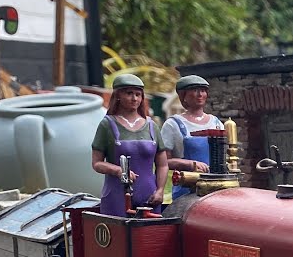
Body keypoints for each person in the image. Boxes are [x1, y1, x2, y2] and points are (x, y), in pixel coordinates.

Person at [90, 73, 168, 217]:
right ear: (118, 95)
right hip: (116, 197)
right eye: (129, 93)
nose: (135, 98)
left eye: (138, 94)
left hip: (149, 197)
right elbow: (96, 163)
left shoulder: (152, 126)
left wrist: (160, 190)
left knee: (149, 236)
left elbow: (162, 164)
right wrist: (118, 171)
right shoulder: (107, 125)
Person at [160, 74, 223, 203]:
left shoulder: (216, 123)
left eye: (203, 90)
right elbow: (163, 162)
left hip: (216, 186)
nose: (200, 94)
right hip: (187, 188)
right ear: (183, 96)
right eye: (195, 90)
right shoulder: (173, 124)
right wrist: (190, 164)